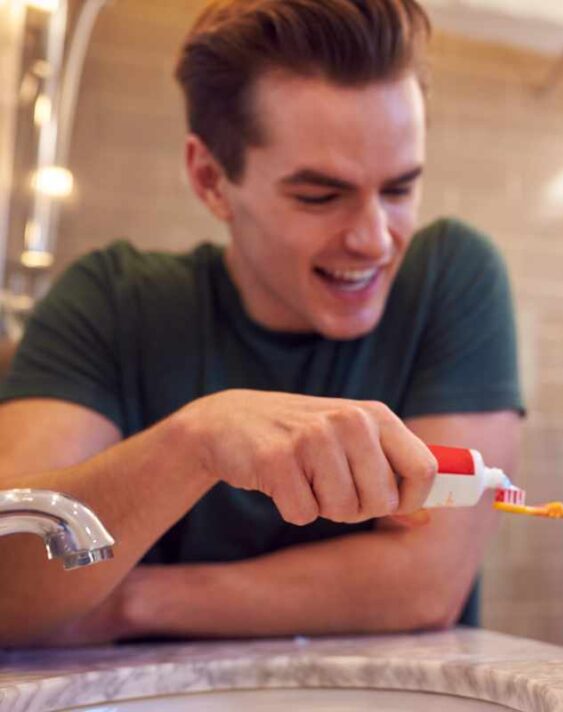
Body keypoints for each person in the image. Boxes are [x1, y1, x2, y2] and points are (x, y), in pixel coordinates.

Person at [0, 0, 522, 646]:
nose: (374, 239)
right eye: (319, 196)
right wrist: (195, 442)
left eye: (399, 189)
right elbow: (9, 579)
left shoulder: (450, 273)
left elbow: (424, 583)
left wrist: (123, 602)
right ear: (210, 179)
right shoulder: (110, 301)